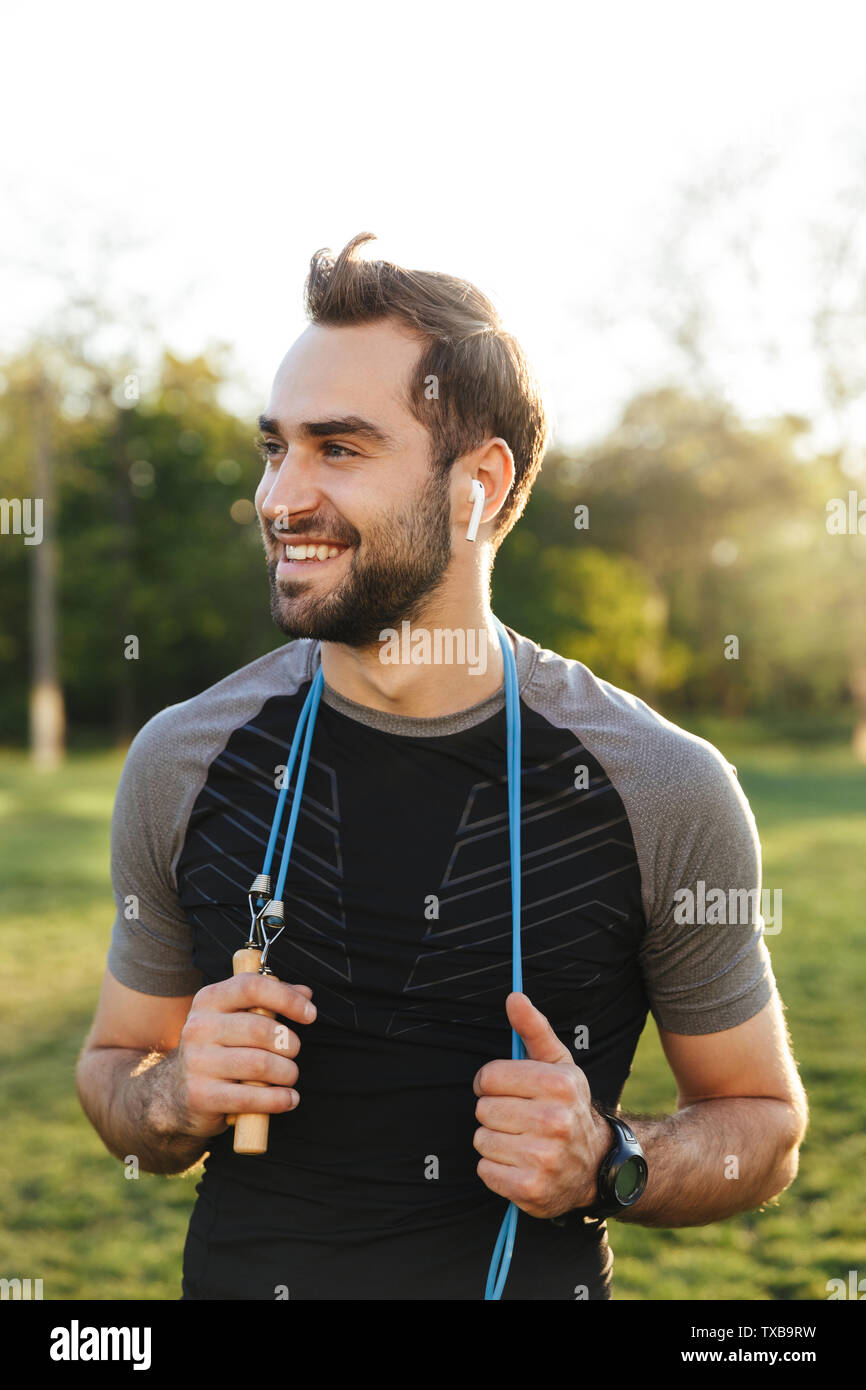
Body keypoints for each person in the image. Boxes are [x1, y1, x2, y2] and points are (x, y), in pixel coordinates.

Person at [76, 232, 808, 1301]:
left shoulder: (659, 787)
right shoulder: (182, 757)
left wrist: (609, 1159)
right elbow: (114, 1074)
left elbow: (763, 1128)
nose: (279, 497)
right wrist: (172, 1094)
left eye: (338, 448)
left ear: (478, 484)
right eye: (272, 446)